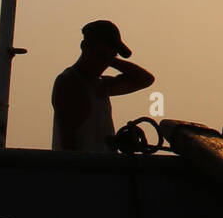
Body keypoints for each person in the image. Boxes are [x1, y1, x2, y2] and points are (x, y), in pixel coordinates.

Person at [51, 20, 155, 153]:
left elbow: (145, 80)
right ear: (84, 46)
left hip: (102, 170)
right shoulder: (68, 83)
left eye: (110, 56)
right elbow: (68, 144)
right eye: (100, 55)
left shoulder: (101, 85)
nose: (103, 63)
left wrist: (111, 60)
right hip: (80, 171)